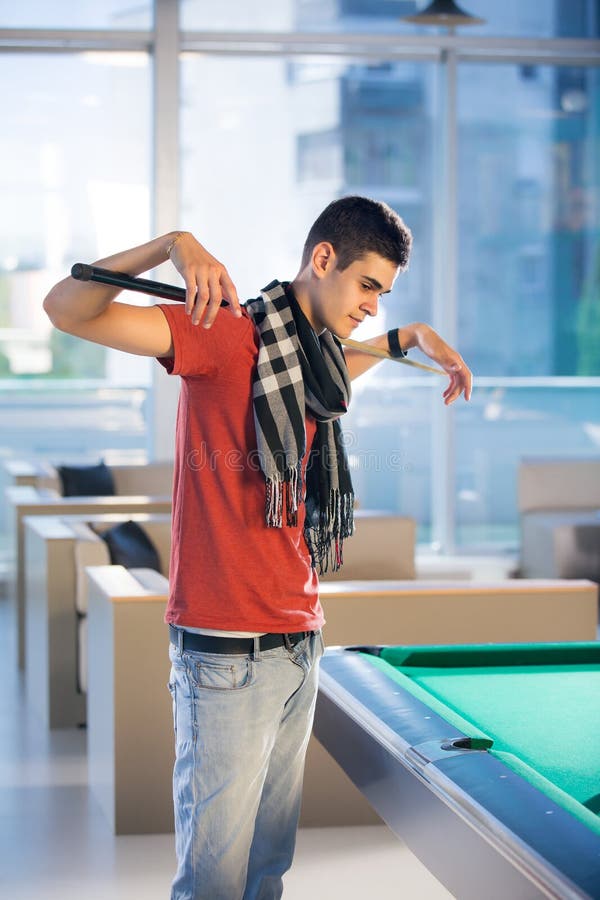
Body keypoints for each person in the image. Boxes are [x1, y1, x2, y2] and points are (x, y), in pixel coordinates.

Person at [43, 196, 472, 900]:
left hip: (300, 641)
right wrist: (173, 245)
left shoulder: (310, 359)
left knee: (266, 871)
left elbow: (323, 381)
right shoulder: (224, 333)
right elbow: (68, 309)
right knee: (214, 882)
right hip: (225, 651)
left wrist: (408, 338)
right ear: (323, 259)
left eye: (384, 296)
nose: (372, 306)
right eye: (368, 285)